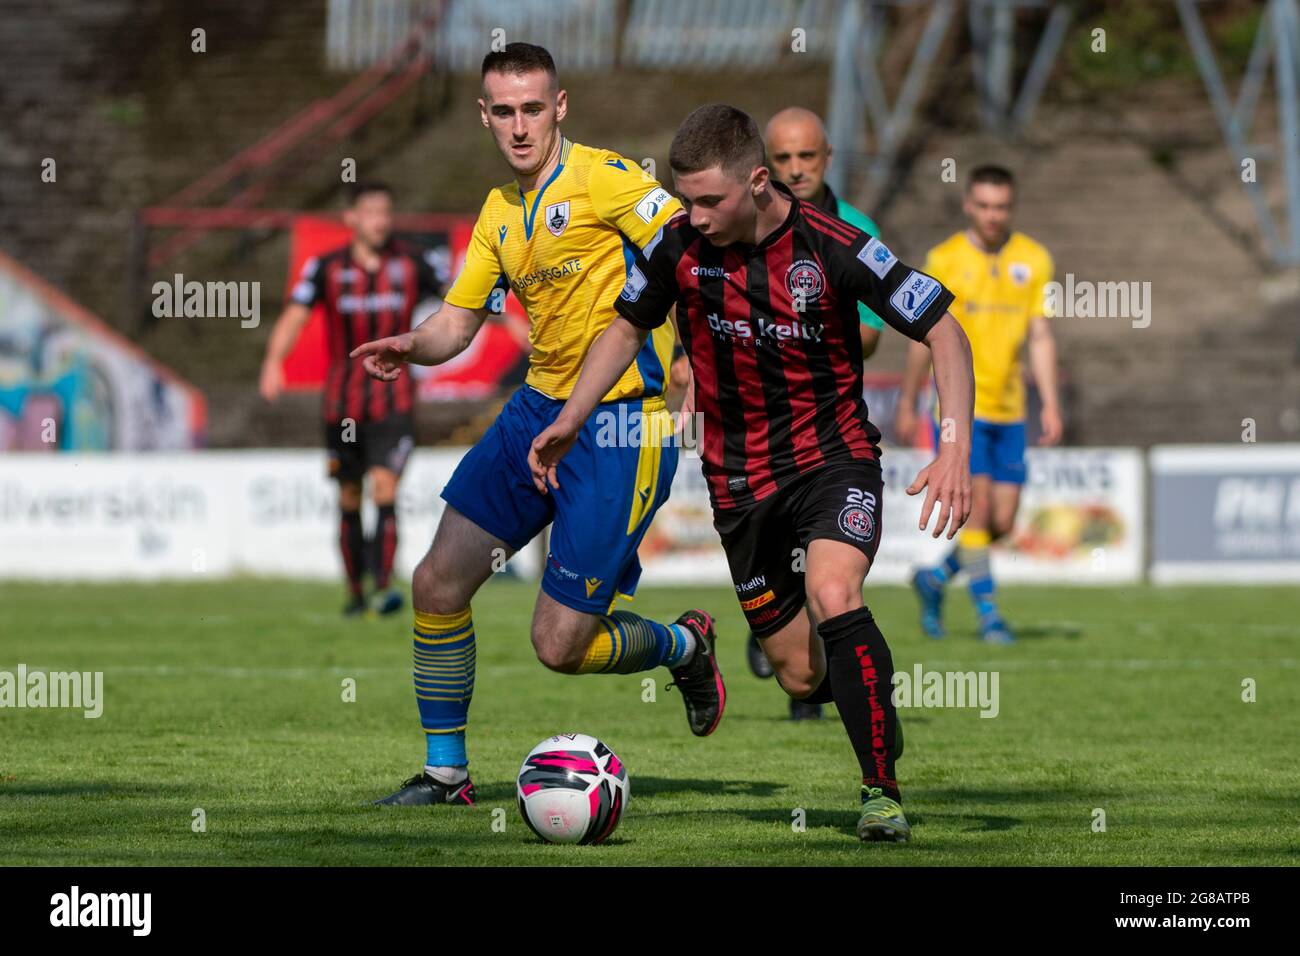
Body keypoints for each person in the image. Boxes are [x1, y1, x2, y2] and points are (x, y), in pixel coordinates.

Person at [530, 104, 974, 842]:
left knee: (836, 593)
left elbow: (944, 328)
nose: (695, 216)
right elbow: (626, 327)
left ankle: (880, 792)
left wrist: (953, 444)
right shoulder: (678, 247)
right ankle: (874, 703)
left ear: (758, 182)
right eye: (686, 200)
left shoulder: (834, 247)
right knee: (801, 676)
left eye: (710, 200)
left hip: (835, 459)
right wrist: (573, 416)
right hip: (738, 486)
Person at [349, 44, 724, 808]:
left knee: (559, 646)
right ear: (484, 115)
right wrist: (411, 345)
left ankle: (685, 645)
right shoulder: (498, 212)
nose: (519, 127)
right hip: (535, 411)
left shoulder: (607, 178)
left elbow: (689, 248)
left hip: (623, 422)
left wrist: (691, 361)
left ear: (559, 107)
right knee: (437, 582)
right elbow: (459, 322)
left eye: (532, 109)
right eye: (503, 112)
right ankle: (447, 775)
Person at [751, 105, 890, 718]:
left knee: (827, 571)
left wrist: (796, 331)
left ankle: (816, 692)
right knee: (778, 569)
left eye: (806, 157)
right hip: (753, 434)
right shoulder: (744, 222)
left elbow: (874, 332)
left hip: (829, 430)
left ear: (827, 158)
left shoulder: (855, 226)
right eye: (782, 158)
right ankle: (785, 652)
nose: (795, 169)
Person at [260, 181, 442, 617]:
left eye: (386, 212)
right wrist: (273, 360)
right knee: (348, 494)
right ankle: (355, 593)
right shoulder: (325, 268)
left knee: (385, 486)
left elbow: (462, 303)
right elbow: (295, 315)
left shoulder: (413, 262)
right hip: (342, 405)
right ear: (352, 218)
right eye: (371, 212)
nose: (380, 220)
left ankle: (383, 588)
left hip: (394, 398)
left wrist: (507, 326)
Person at [896, 164, 1061, 644]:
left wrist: (1048, 403)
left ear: (1012, 207)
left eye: (1002, 207)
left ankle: (934, 578)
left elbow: (1041, 335)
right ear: (968, 204)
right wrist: (907, 401)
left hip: (1010, 409)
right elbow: (917, 338)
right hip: (959, 407)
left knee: (1004, 521)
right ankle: (989, 615)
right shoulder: (944, 259)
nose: (993, 216)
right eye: (984, 206)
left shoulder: (1034, 259)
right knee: (980, 509)